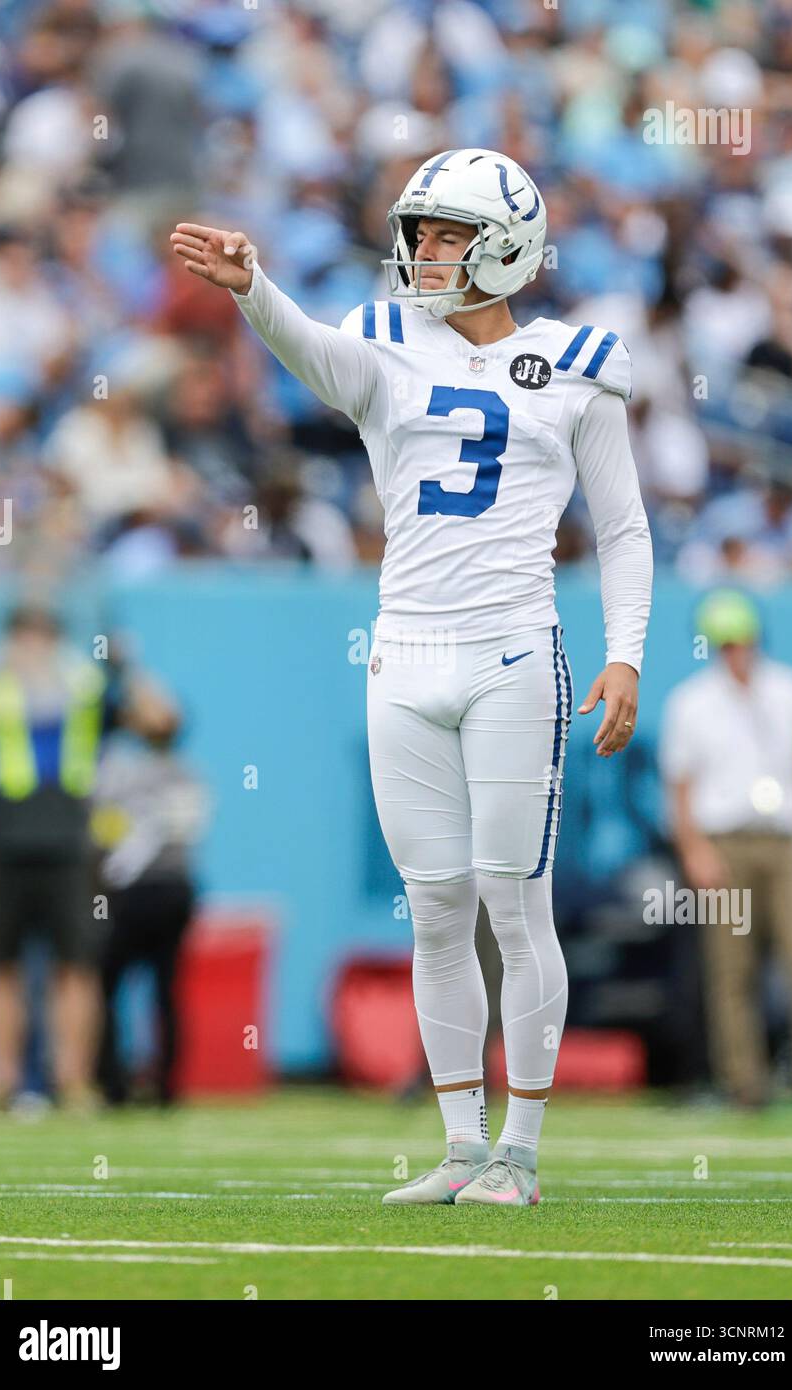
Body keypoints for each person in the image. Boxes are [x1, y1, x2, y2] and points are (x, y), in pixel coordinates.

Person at [170, 148, 653, 1205]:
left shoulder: (575, 362)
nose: (421, 252)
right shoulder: (385, 346)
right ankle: (456, 1143)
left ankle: (519, 1153)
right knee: (434, 907)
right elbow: (305, 348)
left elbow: (619, 526)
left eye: (443, 235)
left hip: (514, 650)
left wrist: (624, 653)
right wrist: (255, 285)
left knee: (511, 903)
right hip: (403, 652)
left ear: (505, 246)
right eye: (418, 232)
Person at [0, 606, 174, 1109]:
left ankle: (73, 1082)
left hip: (72, 846)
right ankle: (0, 1083)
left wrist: (128, 669)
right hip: (1, 842)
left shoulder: (85, 689)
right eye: (24, 638)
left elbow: (161, 723)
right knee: (1, 965)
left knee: (75, 965)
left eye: (42, 638)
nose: (33, 650)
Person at [660, 589, 792, 1109]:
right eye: (728, 642)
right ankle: (744, 1083)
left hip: (786, 843)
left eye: (743, 640)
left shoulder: (791, 691)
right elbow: (681, 787)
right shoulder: (691, 703)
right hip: (726, 844)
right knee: (732, 969)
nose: (738, 650)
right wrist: (694, 849)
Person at [93, 697, 209, 1107]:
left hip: (137, 891)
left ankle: (115, 1083)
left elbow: (105, 827)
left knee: (111, 983)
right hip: (175, 889)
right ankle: (165, 1086)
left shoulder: (123, 770)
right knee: (164, 988)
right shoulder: (189, 775)